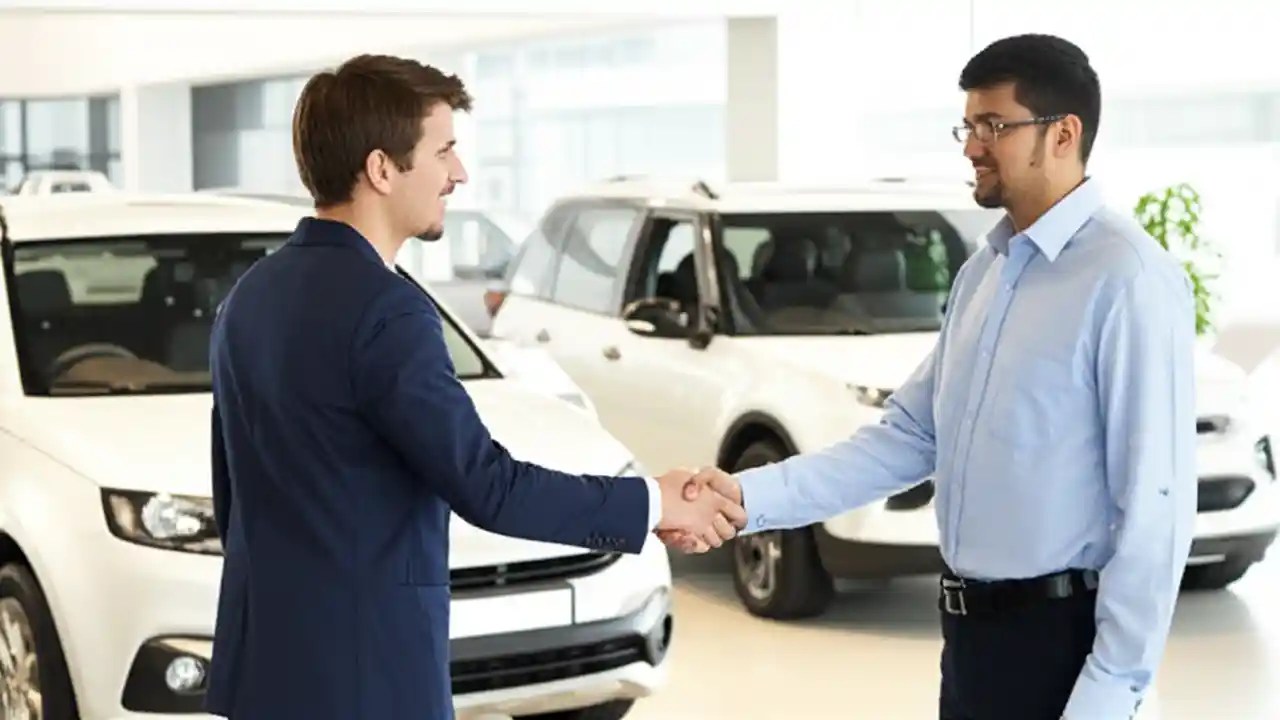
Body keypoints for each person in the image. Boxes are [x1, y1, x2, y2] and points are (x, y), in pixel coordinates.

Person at [670, 34, 1196, 720]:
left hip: (1066, 646)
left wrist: (1109, 692)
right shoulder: (988, 272)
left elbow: (1155, 505)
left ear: (1064, 134)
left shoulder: (1126, 278)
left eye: (994, 126)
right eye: (969, 126)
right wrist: (746, 498)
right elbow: (909, 437)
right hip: (973, 641)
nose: (973, 146)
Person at [205, 54, 745, 720]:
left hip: (266, 669)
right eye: (444, 151)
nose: (458, 173)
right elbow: (486, 486)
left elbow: (234, 497)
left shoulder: (249, 297)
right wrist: (652, 503)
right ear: (381, 169)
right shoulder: (387, 308)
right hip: (365, 676)